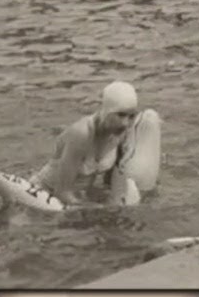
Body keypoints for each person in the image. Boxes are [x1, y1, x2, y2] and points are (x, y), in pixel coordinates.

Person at [31, 81, 160, 205]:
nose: (125, 123)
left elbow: (109, 182)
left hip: (78, 197)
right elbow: (62, 192)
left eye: (131, 116)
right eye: (120, 115)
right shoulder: (81, 134)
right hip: (43, 195)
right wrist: (97, 209)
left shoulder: (119, 134)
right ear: (107, 110)